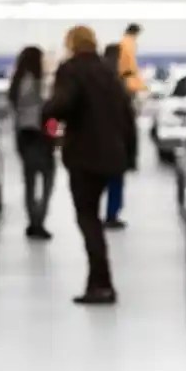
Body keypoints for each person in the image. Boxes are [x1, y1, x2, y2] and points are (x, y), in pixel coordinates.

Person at [44, 26, 137, 305]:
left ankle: (101, 284)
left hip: (84, 156)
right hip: (112, 155)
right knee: (93, 219)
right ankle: (99, 282)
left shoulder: (70, 69)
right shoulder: (109, 70)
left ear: (71, 43)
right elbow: (126, 114)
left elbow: (63, 104)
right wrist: (130, 155)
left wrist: (46, 111)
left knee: (88, 219)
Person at [8, 46, 56, 240]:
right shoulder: (37, 83)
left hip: (22, 134)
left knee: (29, 180)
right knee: (47, 178)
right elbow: (49, 110)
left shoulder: (17, 82)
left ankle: (32, 221)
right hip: (39, 135)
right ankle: (39, 221)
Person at [102, 43, 127, 230]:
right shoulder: (114, 80)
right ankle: (111, 214)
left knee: (105, 179)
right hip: (113, 138)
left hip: (103, 138)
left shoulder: (99, 77)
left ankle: (110, 213)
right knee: (114, 179)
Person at [117, 23, 145, 98]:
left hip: (123, 76)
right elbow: (131, 61)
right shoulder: (129, 42)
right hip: (128, 77)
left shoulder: (123, 41)